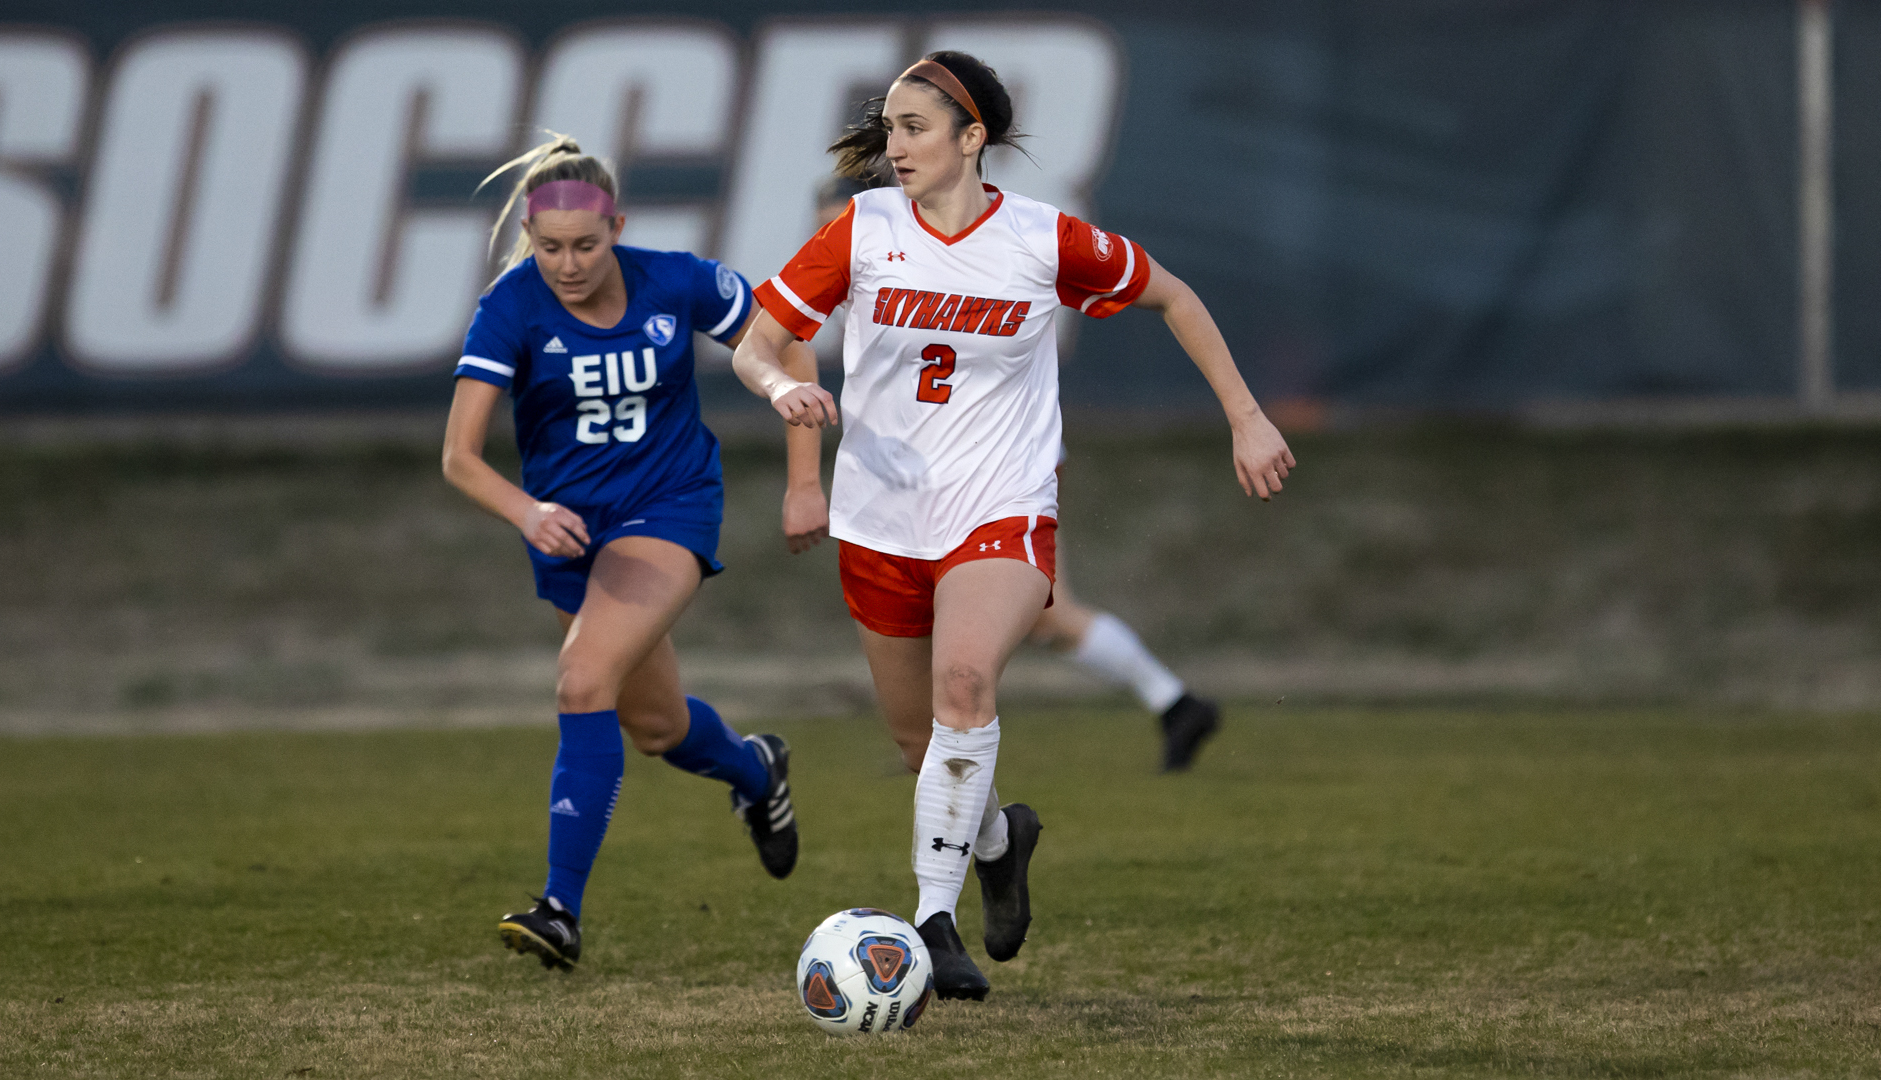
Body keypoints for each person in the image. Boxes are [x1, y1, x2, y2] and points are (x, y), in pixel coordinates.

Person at [734, 53, 1294, 1000]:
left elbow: (1174, 295)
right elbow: (760, 339)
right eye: (892, 128)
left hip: (1003, 509)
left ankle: (931, 924)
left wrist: (1246, 415)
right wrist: (787, 390)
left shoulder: (1045, 241)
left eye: (916, 129)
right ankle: (999, 840)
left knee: (966, 681)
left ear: (972, 137)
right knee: (924, 745)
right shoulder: (861, 230)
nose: (896, 147)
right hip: (880, 518)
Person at [441, 135, 809, 972]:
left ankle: (559, 909)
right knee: (655, 726)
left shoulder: (674, 278)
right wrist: (527, 511)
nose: (567, 265)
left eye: (586, 245)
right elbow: (459, 455)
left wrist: (802, 482)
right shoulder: (510, 305)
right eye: (549, 248)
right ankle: (757, 770)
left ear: (618, 227)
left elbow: (785, 342)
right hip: (570, 530)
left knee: (581, 680)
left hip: (669, 508)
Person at [795, 176, 1225, 773]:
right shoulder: (855, 275)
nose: (828, 239)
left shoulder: (949, 254)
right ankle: (1173, 704)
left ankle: (1163, 705)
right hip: (930, 480)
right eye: (821, 227)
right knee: (1043, 621)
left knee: (1035, 614)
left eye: (835, 223)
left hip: (1001, 464)